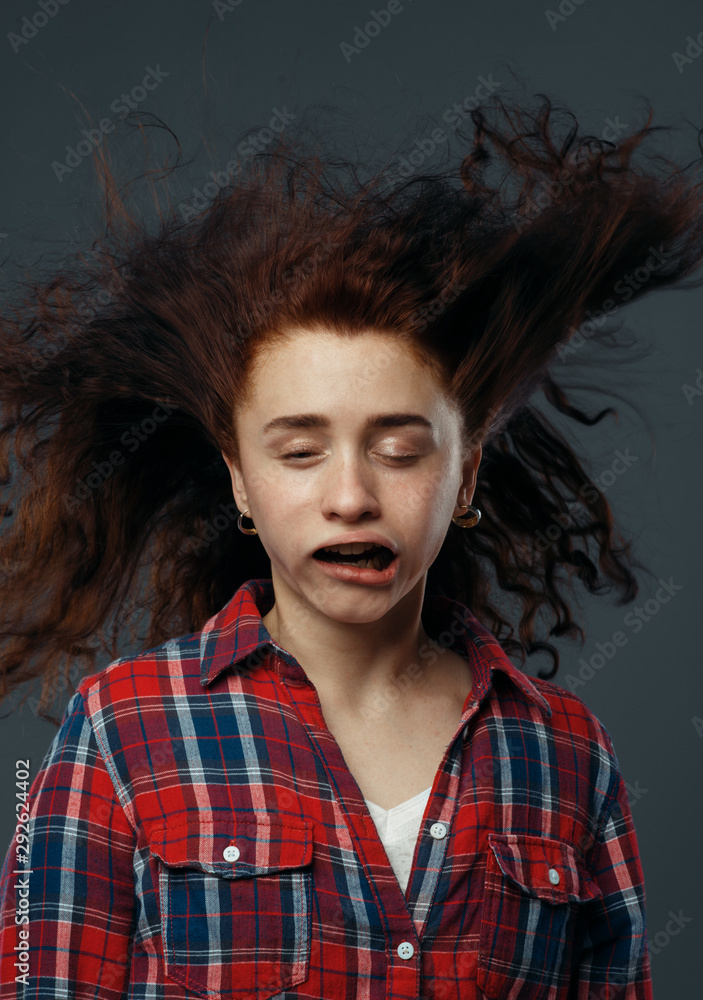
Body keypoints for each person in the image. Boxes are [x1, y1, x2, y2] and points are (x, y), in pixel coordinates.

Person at [1, 92, 702, 999]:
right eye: (298, 452)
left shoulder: (565, 754)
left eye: (400, 450)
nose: (350, 497)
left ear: (467, 472)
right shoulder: (120, 729)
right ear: (240, 480)